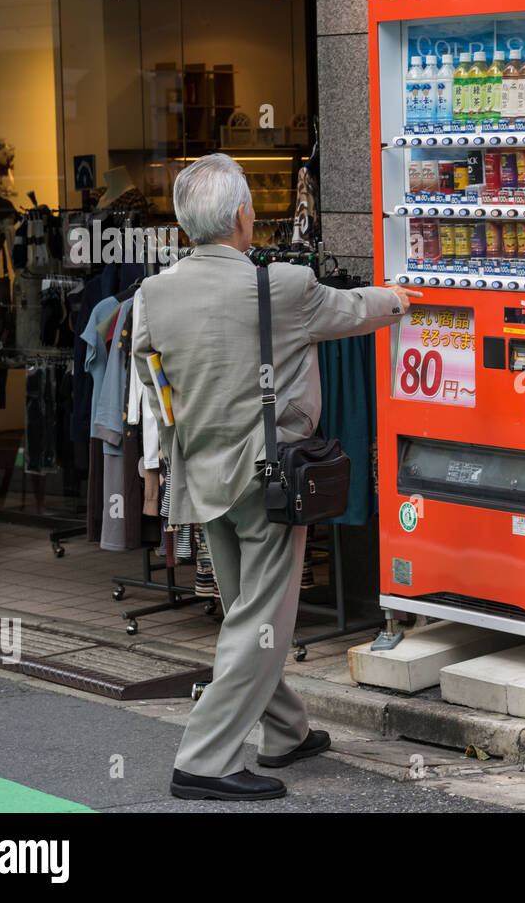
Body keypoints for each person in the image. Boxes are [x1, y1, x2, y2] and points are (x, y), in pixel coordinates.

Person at [132, 153, 419, 801]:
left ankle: (285, 728)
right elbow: (353, 310)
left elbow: (156, 389)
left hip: (200, 475)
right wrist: (401, 298)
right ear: (242, 215)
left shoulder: (153, 294)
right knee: (262, 620)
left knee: (244, 609)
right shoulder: (281, 285)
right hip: (269, 480)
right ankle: (204, 758)